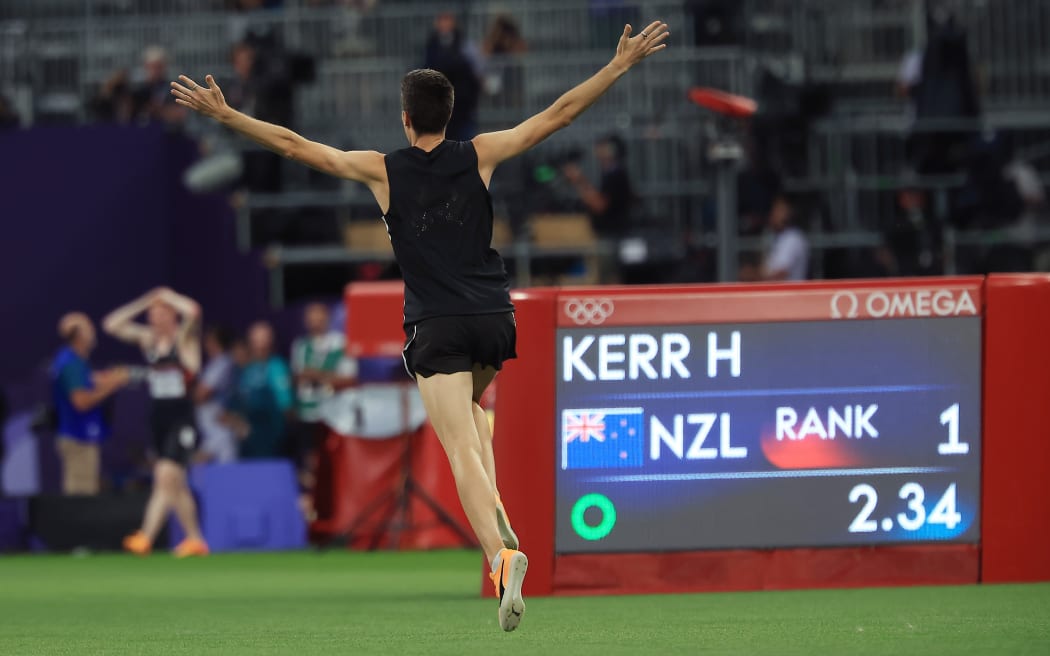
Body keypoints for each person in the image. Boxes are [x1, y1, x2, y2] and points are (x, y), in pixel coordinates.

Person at [169, 18, 669, 631]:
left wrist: (228, 117)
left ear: (407, 120)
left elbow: (297, 146)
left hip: (436, 325)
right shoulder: (480, 153)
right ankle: (504, 521)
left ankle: (501, 554)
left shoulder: (384, 170)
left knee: (459, 444)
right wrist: (618, 66)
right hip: (493, 318)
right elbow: (558, 114)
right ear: (449, 116)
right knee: (477, 416)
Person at [103, 288, 209, 557]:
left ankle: (146, 536)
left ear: (173, 315)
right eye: (153, 314)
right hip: (158, 418)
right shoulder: (149, 341)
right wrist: (143, 302)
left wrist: (167, 296)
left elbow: (194, 310)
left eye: (162, 313)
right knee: (173, 483)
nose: (156, 318)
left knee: (165, 475)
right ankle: (195, 540)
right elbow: (111, 324)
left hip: (182, 418)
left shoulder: (184, 340)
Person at [50, 313, 130, 495]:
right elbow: (81, 401)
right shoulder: (72, 363)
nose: (93, 333)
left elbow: (89, 380)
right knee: (81, 496)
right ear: (79, 336)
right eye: (89, 329)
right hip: (79, 438)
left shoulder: (73, 361)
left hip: (78, 436)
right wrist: (112, 386)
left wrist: (111, 379)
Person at [289, 303, 356, 515]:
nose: (314, 321)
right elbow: (298, 376)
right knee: (310, 463)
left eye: (319, 316)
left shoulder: (341, 344)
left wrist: (316, 375)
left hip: (335, 415)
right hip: (307, 413)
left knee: (335, 462)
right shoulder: (300, 346)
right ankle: (316, 510)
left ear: (327, 318)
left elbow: (347, 378)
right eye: (311, 317)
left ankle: (340, 508)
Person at [224, 321, 294, 460]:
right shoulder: (244, 369)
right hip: (248, 441)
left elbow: (287, 406)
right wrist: (237, 422)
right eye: (255, 339)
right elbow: (234, 404)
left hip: (272, 438)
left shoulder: (277, 366)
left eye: (263, 339)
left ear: (270, 341)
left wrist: (283, 434)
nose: (259, 344)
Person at [561, 134, 637, 240]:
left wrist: (579, 181)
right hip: (611, 233)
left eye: (603, 146)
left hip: (614, 234)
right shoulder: (610, 172)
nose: (598, 149)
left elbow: (599, 205)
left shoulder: (616, 175)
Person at [423, 11, 483, 141]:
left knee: (465, 142)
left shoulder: (464, 44)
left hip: (462, 104)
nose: (445, 24)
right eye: (442, 20)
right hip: (439, 104)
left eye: (447, 19)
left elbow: (475, 71)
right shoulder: (431, 45)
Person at [193, 326, 238, 465]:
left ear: (215, 342)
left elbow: (202, 394)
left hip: (219, 428)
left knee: (225, 474)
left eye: (208, 341)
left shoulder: (222, 363)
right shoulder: (213, 364)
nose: (205, 345)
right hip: (209, 427)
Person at [761, 195, 809, 281]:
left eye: (780, 210)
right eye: (774, 210)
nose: (775, 214)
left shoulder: (793, 238)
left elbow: (779, 274)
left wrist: (752, 275)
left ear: (789, 212)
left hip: (791, 293)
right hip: (778, 292)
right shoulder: (775, 237)